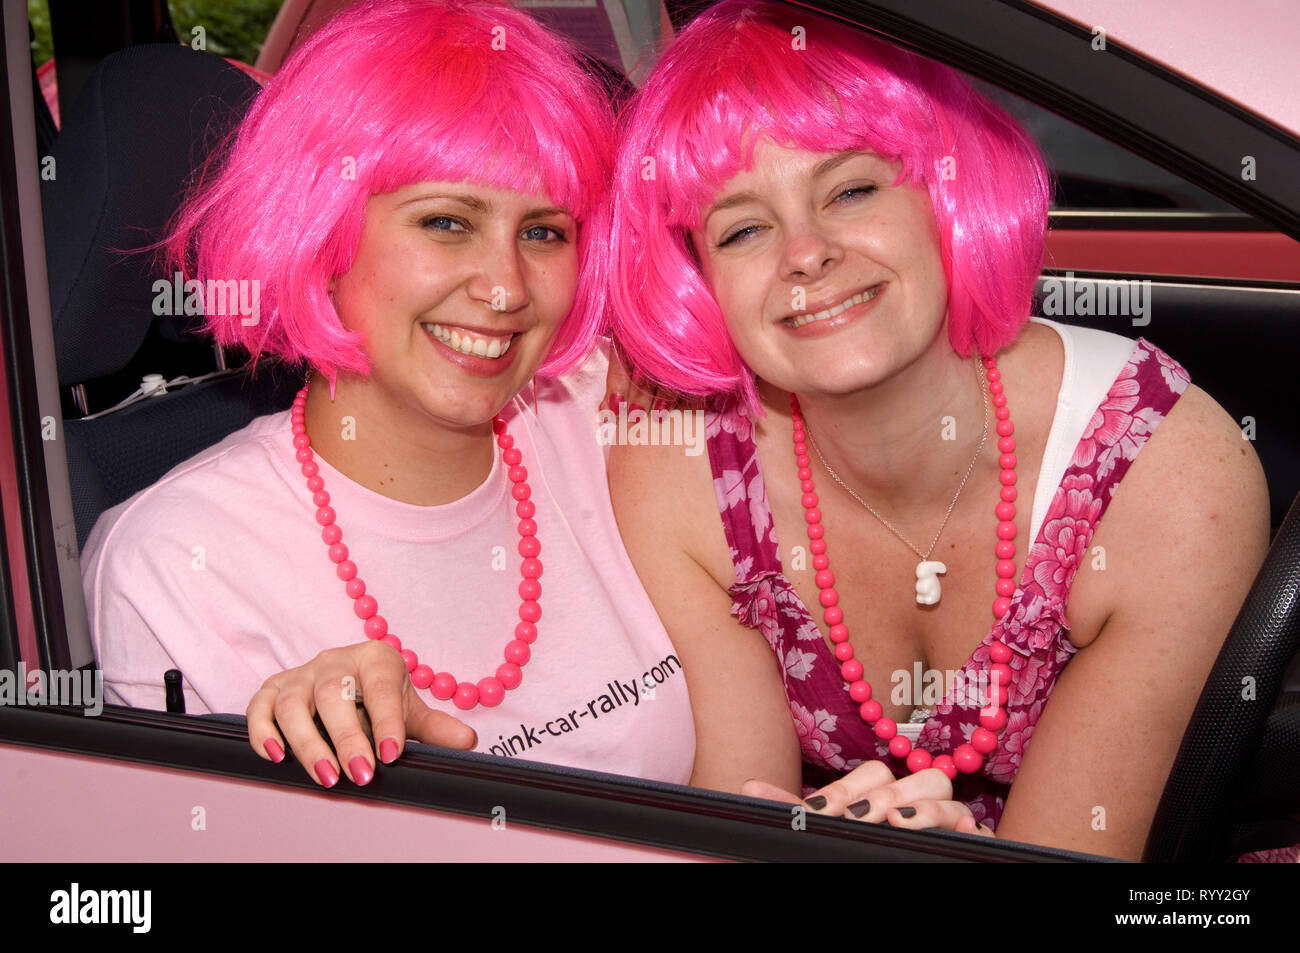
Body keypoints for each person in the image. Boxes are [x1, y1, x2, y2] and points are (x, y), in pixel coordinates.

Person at [605, 0, 1270, 860]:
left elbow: (1080, 849)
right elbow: (740, 814)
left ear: (947, 194)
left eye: (850, 188)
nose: (805, 253)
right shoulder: (682, 474)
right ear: (701, 282)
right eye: (743, 229)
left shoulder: (1162, 473)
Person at [80, 0, 693, 790]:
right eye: (446, 221)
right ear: (319, 231)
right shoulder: (171, 564)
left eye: (543, 232)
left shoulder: (613, 418)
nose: (506, 287)